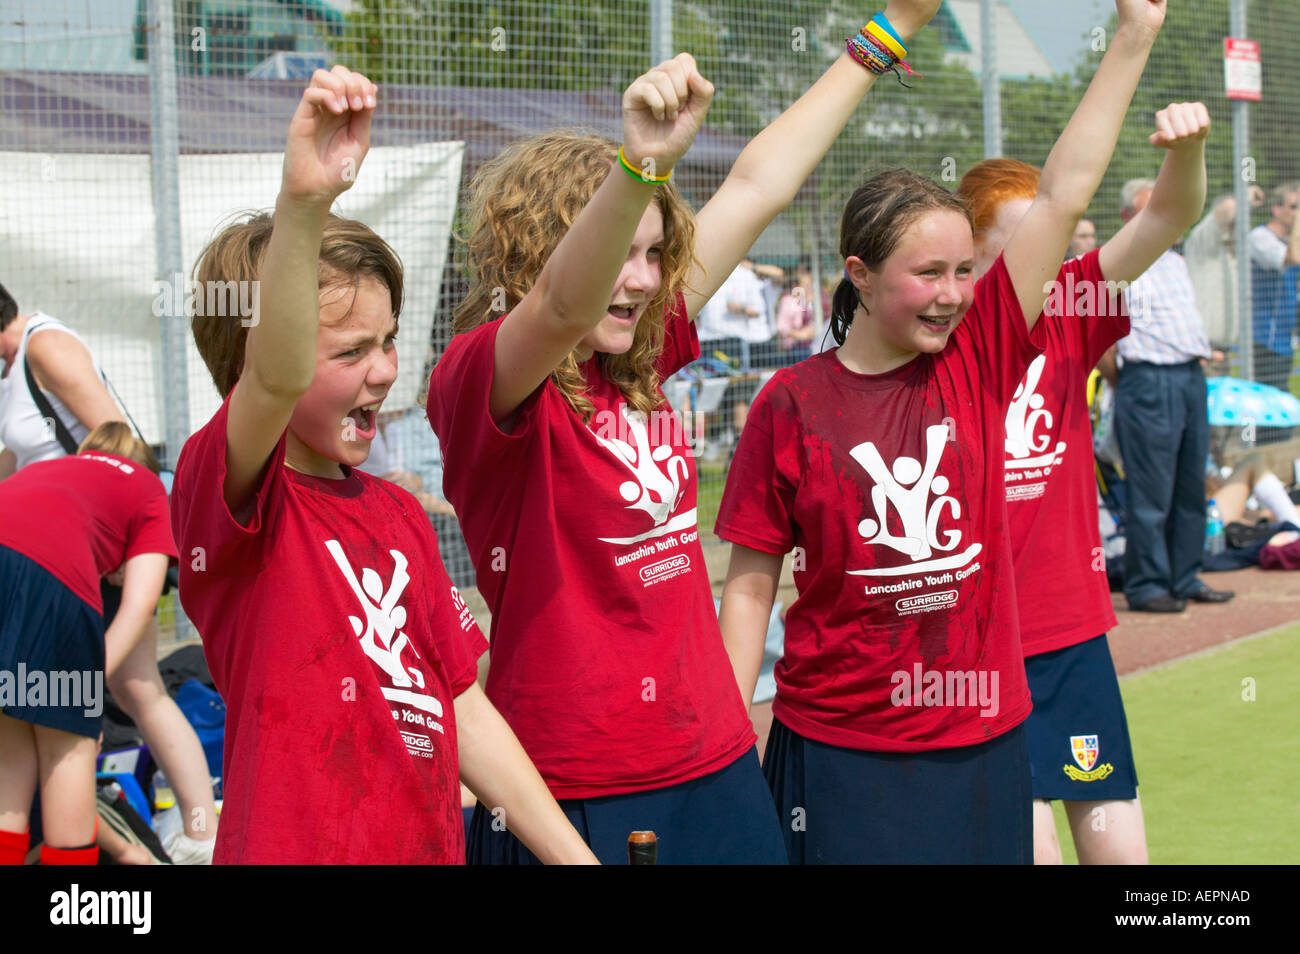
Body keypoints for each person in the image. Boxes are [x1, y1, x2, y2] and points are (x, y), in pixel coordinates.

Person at [427, 2, 947, 865]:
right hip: (578, 780)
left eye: (655, 253)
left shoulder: (636, 348)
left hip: (711, 755)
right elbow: (562, 301)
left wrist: (888, 30)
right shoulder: (488, 377)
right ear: (541, 253)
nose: (642, 280)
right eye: (620, 254)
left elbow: (756, 186)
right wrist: (638, 164)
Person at [715, 0, 1169, 864]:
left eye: (965, 270)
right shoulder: (791, 403)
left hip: (985, 739)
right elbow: (748, 590)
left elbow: (1066, 189)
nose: (955, 292)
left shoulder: (982, 355)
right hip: (840, 752)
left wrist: (1134, 36)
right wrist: (730, 743)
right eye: (928, 274)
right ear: (860, 273)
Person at [171, 66, 596, 864]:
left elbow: (460, 702)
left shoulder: (398, 512)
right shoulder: (229, 499)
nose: (385, 370)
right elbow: (276, 374)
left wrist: (575, 857)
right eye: (351, 351)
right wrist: (304, 203)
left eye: (389, 339)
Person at [956, 100, 1211, 865]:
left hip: (1071, 638)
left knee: (1125, 859)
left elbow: (1167, 217)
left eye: (1057, 237)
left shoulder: (1073, 307)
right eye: (1027, 241)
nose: (1053, 257)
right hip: (979, 653)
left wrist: (1189, 150)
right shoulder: (939, 334)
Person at [0, 283, 218, 864]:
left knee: (16, 727)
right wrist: (82, 681)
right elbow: (143, 603)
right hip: (52, 571)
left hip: (19, 558)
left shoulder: (45, 353)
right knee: (73, 740)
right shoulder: (145, 493)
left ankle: (195, 832)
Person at [0, 423, 175, 865]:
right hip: (51, 575)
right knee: (67, 750)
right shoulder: (154, 492)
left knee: (11, 739)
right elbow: (137, 607)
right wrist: (84, 693)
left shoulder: (55, 468)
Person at [1114, 178, 1234, 612]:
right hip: (1149, 382)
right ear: (1129, 217)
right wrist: (1124, 384)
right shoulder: (1118, 262)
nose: (1167, 217)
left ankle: (1184, 576)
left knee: (1189, 487)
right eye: (1153, 209)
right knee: (1151, 494)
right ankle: (1146, 586)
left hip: (1188, 379)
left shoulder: (1174, 261)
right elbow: (1105, 344)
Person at [1249, 182, 1300, 393]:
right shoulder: (1260, 237)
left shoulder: (1291, 240)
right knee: (1269, 401)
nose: (1297, 213)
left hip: (1284, 337)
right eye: (1294, 207)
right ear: (1276, 209)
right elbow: (1293, 258)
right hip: (1264, 339)